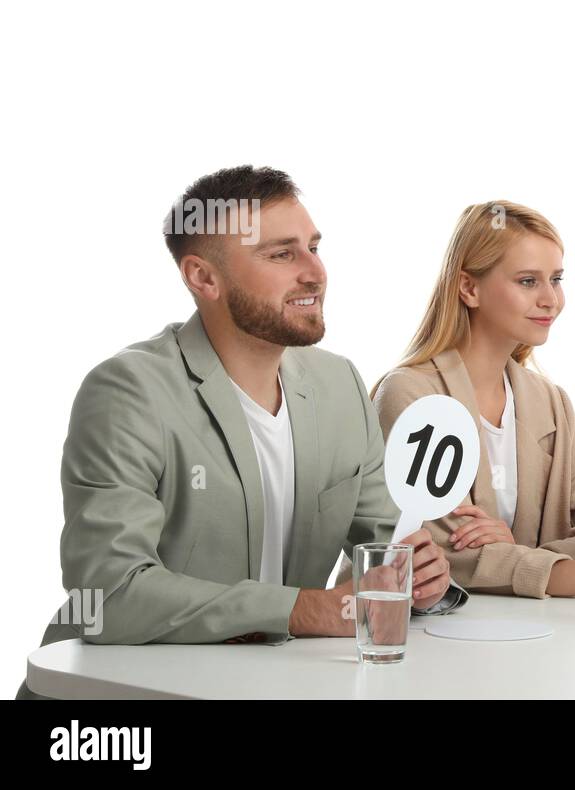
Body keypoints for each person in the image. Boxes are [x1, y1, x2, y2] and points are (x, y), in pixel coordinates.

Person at [19, 166, 463, 699]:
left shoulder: (339, 384)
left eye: (313, 247)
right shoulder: (128, 390)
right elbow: (107, 594)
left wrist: (420, 578)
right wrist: (309, 608)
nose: (314, 272)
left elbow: (386, 543)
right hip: (113, 695)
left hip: (270, 682)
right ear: (203, 278)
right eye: (281, 254)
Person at [372, 200, 575, 599]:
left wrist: (519, 552)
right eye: (527, 281)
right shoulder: (411, 395)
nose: (550, 300)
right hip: (417, 639)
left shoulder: (550, 401)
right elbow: (451, 557)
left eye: (556, 279)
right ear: (469, 288)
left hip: (526, 637)